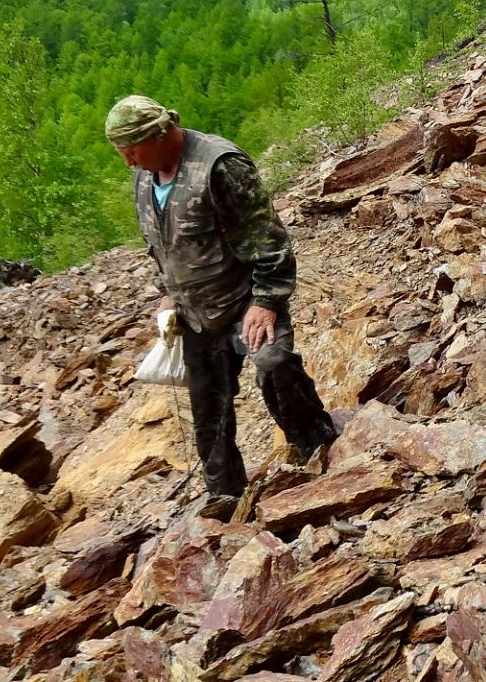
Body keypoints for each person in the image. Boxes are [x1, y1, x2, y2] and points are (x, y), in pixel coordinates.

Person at [106, 95, 339, 513]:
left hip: (244, 300)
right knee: (208, 412)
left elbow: (267, 238)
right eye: (123, 155)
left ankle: (320, 450)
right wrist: (167, 294)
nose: (128, 163)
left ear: (158, 136)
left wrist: (266, 301)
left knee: (274, 364)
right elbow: (161, 245)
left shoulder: (220, 166)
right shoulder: (145, 177)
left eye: (132, 152)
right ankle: (226, 498)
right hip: (195, 313)